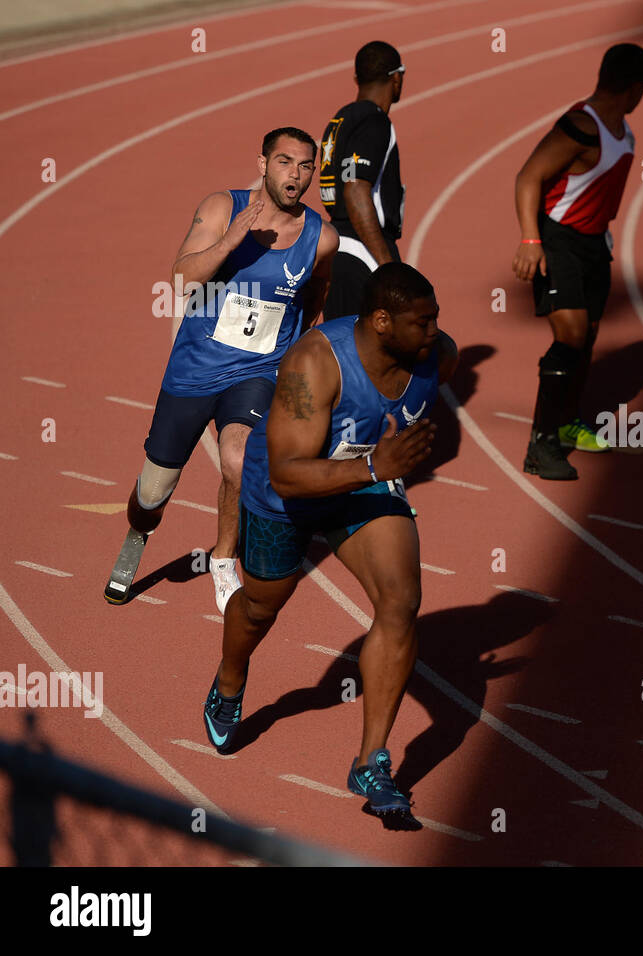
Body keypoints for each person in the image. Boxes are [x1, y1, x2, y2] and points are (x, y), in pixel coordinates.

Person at [203, 263, 457, 822]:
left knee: (401, 603)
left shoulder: (434, 354)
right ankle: (230, 678)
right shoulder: (316, 363)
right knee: (263, 605)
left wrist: (378, 465)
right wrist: (375, 465)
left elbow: (440, 370)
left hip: (363, 485)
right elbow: (289, 474)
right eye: (424, 321)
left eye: (436, 317)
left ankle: (371, 761)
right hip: (286, 496)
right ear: (383, 320)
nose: (436, 330)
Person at [105, 128, 337, 611]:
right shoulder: (220, 208)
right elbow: (179, 280)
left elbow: (316, 297)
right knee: (153, 490)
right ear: (262, 163)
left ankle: (224, 558)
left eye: (305, 166)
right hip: (194, 370)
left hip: (258, 372)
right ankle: (138, 532)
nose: (295, 175)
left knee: (238, 459)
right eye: (284, 162)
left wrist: (295, 351)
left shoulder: (322, 237)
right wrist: (231, 242)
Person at [512, 43, 643, 480]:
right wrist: (531, 240)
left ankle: (568, 423)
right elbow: (528, 176)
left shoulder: (623, 132)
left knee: (587, 336)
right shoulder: (580, 126)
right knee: (570, 333)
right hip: (558, 239)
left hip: (593, 243)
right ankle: (542, 444)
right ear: (631, 87)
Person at [319, 41, 407, 322]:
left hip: (337, 249)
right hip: (364, 250)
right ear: (397, 78)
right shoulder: (374, 121)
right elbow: (356, 189)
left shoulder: (341, 118)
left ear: (357, 79)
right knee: (399, 345)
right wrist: (387, 266)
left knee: (342, 351)